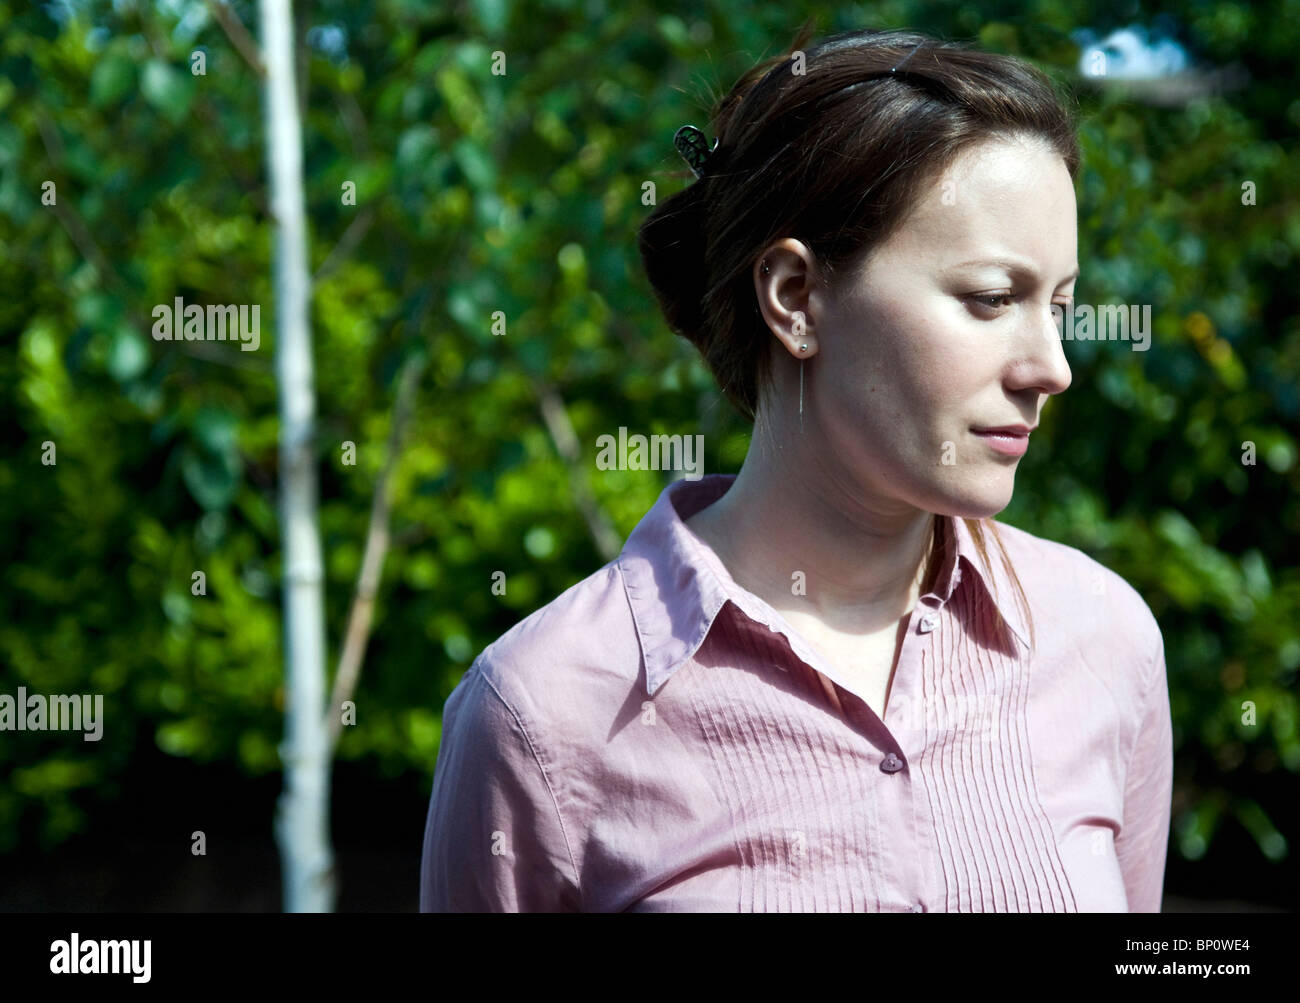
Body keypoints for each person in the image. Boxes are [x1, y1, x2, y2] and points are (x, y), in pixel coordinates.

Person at [419, 26, 1173, 912]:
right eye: (991, 299)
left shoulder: (1102, 643)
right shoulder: (541, 714)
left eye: (1059, 306)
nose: (1052, 365)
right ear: (794, 297)